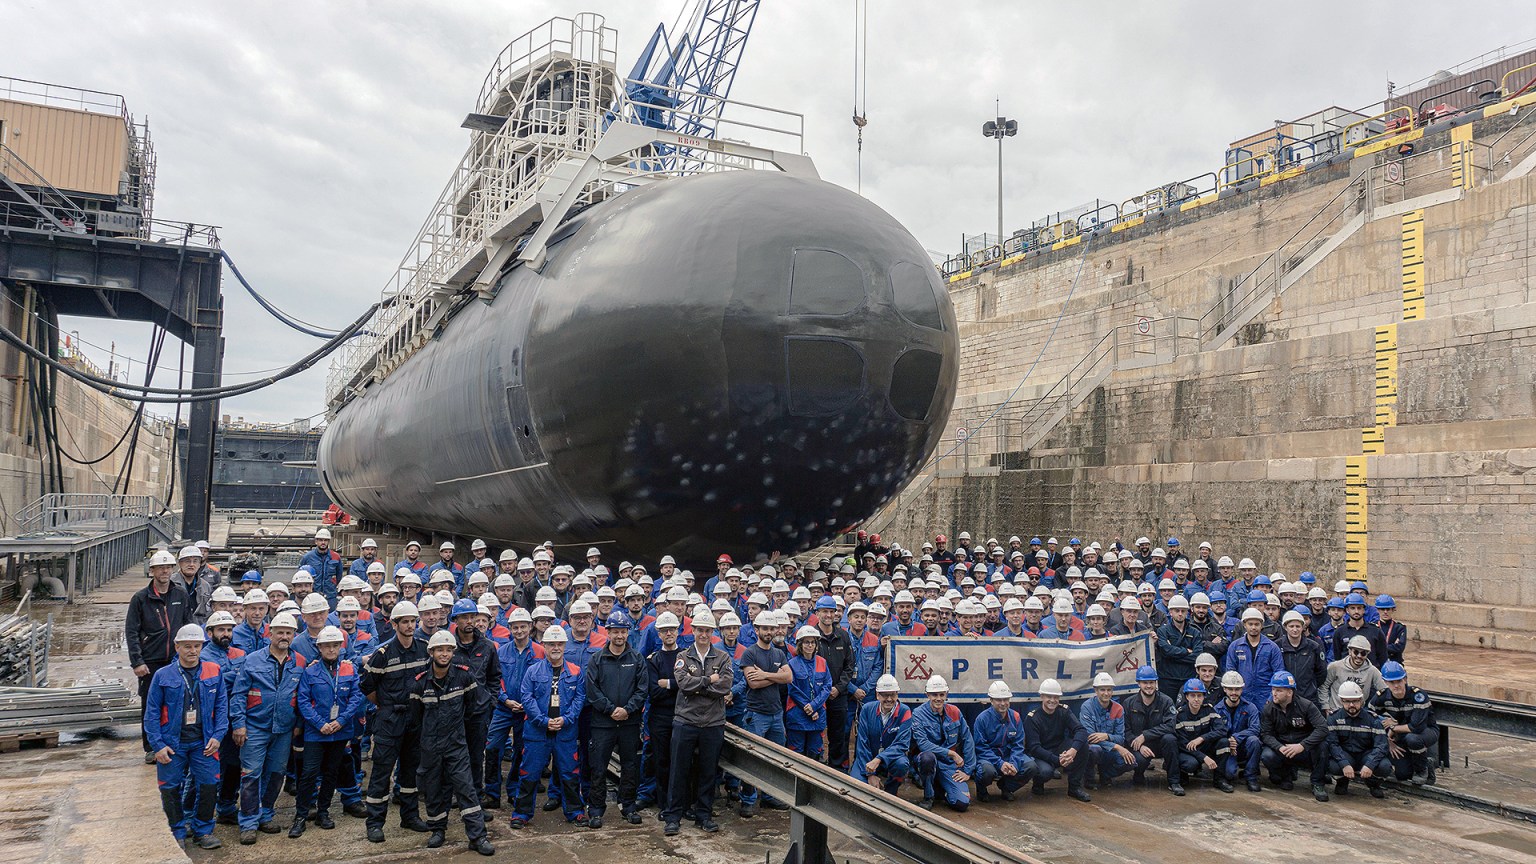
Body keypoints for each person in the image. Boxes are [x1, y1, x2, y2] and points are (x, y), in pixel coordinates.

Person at [411, 630, 495, 854]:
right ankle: (438, 830)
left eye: (448, 650)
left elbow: (472, 708)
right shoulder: (419, 683)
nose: (444, 654)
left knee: (467, 790)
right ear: (431, 652)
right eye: (440, 650)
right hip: (430, 746)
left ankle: (477, 837)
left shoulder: (464, 677)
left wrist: (458, 734)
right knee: (434, 790)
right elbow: (416, 717)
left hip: (456, 746)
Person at [145, 623, 227, 850]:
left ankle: (203, 830)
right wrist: (157, 745)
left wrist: (218, 736)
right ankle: (178, 831)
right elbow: (151, 713)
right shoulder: (163, 675)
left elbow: (222, 708)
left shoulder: (214, 670)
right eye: (187, 646)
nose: (192, 651)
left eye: (197, 646)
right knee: (170, 788)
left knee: (209, 785)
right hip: (172, 744)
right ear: (177, 647)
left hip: (204, 741)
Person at [229, 611, 305, 844]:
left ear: (294, 635)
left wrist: (298, 726)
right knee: (251, 775)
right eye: (279, 632)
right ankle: (249, 822)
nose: (284, 636)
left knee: (276, 774)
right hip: (255, 728)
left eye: (288, 633)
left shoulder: (299, 662)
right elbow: (239, 694)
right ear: (270, 633)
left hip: (283, 729)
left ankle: (266, 815)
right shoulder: (252, 660)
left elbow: (303, 697)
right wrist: (239, 724)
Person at [360, 601, 433, 842]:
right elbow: (367, 687)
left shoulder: (424, 649)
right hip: (389, 720)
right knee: (381, 772)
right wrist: (384, 705)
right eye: (405, 622)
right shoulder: (383, 654)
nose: (411, 626)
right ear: (394, 624)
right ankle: (375, 822)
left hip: (415, 719)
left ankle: (410, 817)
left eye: (413, 621)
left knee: (411, 772)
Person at [291, 626, 366, 836]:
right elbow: (303, 701)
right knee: (309, 773)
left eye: (335, 645)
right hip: (317, 732)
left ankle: (323, 812)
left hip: (340, 731)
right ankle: (301, 815)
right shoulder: (310, 671)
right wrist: (319, 723)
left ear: (341, 647)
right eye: (327, 646)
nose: (331, 649)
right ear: (320, 647)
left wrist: (341, 721)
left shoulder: (349, 669)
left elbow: (355, 697)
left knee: (332, 773)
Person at [664, 609, 733, 836]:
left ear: (713, 632)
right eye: (700, 630)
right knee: (678, 770)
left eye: (707, 630)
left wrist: (699, 686)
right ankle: (673, 817)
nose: (703, 634)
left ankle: (703, 816)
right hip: (686, 721)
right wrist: (708, 681)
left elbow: (724, 687)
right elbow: (683, 684)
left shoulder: (722, 657)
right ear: (692, 630)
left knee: (708, 772)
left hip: (713, 723)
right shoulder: (683, 656)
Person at [510, 625, 586, 828]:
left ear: (565, 646)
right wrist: (543, 721)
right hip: (537, 732)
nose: (555, 647)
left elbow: (579, 699)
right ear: (544, 645)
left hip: (565, 732)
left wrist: (566, 719)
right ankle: (521, 814)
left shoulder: (575, 672)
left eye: (559, 643)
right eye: (551, 643)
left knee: (570, 773)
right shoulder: (532, 671)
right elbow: (527, 697)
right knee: (529, 773)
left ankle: (575, 811)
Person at [128, 549, 192, 762]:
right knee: (151, 704)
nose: (165, 571)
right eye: (160, 567)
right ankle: (151, 747)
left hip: (176, 659)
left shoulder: (180, 595)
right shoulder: (140, 599)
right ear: (152, 570)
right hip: (151, 661)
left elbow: (187, 625)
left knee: (179, 701)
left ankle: (176, 743)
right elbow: (132, 632)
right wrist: (137, 661)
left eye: (168, 567)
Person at [585, 610, 647, 827]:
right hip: (603, 723)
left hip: (629, 722)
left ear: (628, 633)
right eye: (615, 632)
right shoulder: (597, 659)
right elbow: (592, 690)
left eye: (623, 631)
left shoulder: (637, 659)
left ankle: (628, 806)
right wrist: (611, 710)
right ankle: (596, 809)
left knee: (630, 766)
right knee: (599, 767)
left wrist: (627, 710)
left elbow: (642, 689)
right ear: (608, 632)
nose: (619, 636)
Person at [484, 608, 538, 809]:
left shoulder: (539, 651)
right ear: (510, 629)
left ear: (530, 627)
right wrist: (505, 700)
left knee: (521, 751)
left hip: (527, 712)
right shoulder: (501, 651)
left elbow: (540, 682)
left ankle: (514, 791)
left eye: (523, 626)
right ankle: (491, 793)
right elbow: (495, 679)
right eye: (515, 627)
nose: (519, 630)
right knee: (492, 747)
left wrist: (528, 703)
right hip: (503, 708)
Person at [738, 610, 792, 811]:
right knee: (752, 758)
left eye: (772, 628)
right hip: (756, 714)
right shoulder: (750, 653)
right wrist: (775, 675)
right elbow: (753, 684)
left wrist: (765, 675)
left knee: (775, 758)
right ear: (756, 629)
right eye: (765, 628)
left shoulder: (779, 653)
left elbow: (789, 678)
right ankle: (748, 800)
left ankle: (770, 796)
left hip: (776, 713)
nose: (769, 632)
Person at [448, 599, 501, 802]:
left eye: (473, 617)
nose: (470, 621)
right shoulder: (448, 646)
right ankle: (456, 795)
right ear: (456, 620)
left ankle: (476, 798)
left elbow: (494, 677)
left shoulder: (487, 647)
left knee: (476, 757)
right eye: (464, 617)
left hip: (479, 712)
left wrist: (490, 702)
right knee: (454, 756)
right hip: (453, 712)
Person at [1259, 670, 1331, 802]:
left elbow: (1322, 729)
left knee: (1323, 746)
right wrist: (1279, 747)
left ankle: (1318, 783)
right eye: (1273, 689)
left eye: (1279, 690)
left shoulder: (1307, 706)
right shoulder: (1269, 709)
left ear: (1290, 692)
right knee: (1267, 755)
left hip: (1304, 748)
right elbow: (1265, 734)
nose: (1274, 693)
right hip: (1283, 748)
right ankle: (1285, 776)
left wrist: (1302, 746)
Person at [911, 675, 975, 811]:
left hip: (948, 766)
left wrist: (968, 770)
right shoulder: (918, 714)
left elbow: (967, 739)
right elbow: (923, 744)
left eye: (941, 694)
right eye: (934, 695)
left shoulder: (955, 712)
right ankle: (928, 796)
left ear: (947, 694)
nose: (938, 698)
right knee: (927, 758)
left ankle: (939, 789)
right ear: (927, 695)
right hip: (928, 761)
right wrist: (951, 753)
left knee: (962, 803)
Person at [1370, 661, 1437, 785]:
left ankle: (1422, 770)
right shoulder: (1382, 697)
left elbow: (1416, 727)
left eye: (1399, 681)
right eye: (1392, 682)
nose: (1396, 686)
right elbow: (1368, 717)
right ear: (1385, 682)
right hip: (1401, 733)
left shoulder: (1418, 696)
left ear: (1405, 679)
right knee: (1402, 775)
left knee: (1413, 739)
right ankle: (1422, 763)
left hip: (1425, 732)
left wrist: (1393, 727)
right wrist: (1386, 739)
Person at [1025, 678, 1091, 801]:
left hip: (1059, 749)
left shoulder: (1064, 711)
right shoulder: (1032, 718)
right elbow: (1034, 748)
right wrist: (1057, 760)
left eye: (1056, 697)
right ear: (1042, 697)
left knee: (1083, 745)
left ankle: (1074, 788)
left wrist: (1073, 750)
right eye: (1048, 697)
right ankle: (1038, 783)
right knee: (1045, 772)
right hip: (1041, 754)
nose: (1052, 700)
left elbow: (1081, 730)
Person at [811, 596, 856, 770]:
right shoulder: (811, 635)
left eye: (832, 611)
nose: (829, 615)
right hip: (817, 696)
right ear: (817, 613)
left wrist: (838, 688)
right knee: (816, 732)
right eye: (825, 611)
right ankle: (817, 768)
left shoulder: (843, 636)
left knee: (839, 734)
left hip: (838, 694)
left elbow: (849, 666)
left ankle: (838, 768)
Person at [1326, 680, 1389, 799]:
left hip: (1366, 755)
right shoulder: (1333, 718)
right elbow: (1332, 744)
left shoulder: (1373, 720)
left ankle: (1373, 784)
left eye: (1355, 701)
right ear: (1341, 701)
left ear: (1361, 700)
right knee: (1332, 764)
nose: (1351, 705)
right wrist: (1344, 763)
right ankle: (1342, 782)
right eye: (1347, 701)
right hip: (1346, 755)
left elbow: (1381, 745)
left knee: (1384, 766)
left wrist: (1370, 764)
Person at [972, 680, 1034, 801]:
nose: (1003, 703)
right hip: (989, 758)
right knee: (986, 771)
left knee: (1031, 767)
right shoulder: (982, 719)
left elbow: (1018, 745)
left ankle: (1006, 787)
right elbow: (980, 748)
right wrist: (999, 763)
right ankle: (981, 789)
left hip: (1008, 756)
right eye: (998, 700)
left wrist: (1014, 764)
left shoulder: (1015, 717)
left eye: (1006, 699)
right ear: (991, 700)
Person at [851, 674, 912, 793]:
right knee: (857, 789)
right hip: (868, 759)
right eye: (885, 695)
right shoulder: (867, 709)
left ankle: (890, 791)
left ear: (897, 695)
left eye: (892, 694)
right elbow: (862, 742)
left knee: (902, 764)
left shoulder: (905, 711)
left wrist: (879, 759)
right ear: (877, 695)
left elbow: (902, 744)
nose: (889, 699)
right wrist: (870, 774)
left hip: (889, 759)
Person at [1120, 665, 1177, 790]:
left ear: (1156, 683)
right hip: (1138, 745)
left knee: (1170, 739)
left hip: (1160, 743)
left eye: (1152, 682)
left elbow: (1170, 726)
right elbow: (1125, 730)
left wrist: (1145, 735)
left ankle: (1174, 782)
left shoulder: (1166, 701)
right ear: (1138, 683)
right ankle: (1138, 774)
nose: (1149, 686)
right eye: (1145, 683)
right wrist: (1139, 745)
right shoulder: (1128, 703)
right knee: (1139, 760)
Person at [1172, 679, 1233, 795]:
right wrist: (1204, 757)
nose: (1196, 699)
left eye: (1199, 695)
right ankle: (1182, 773)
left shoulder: (1209, 710)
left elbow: (1222, 730)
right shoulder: (1180, 715)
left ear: (1204, 696)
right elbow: (1183, 743)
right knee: (1191, 764)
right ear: (1186, 697)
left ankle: (1219, 779)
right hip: (1187, 751)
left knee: (1224, 742)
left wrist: (1202, 738)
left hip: (1203, 745)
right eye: (1192, 695)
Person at [784, 624, 832, 760]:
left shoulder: (822, 662)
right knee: (795, 753)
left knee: (815, 752)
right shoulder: (792, 663)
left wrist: (814, 706)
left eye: (812, 642)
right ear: (800, 644)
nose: (809, 645)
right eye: (806, 642)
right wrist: (808, 707)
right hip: (797, 714)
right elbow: (792, 689)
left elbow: (827, 686)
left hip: (818, 715)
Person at [1079, 671, 1134, 789]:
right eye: (1102, 690)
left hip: (1109, 750)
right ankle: (1089, 779)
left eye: (1109, 690)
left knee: (1130, 762)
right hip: (1093, 749)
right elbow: (1090, 737)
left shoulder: (1118, 708)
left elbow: (1120, 738)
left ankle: (1105, 774)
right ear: (1095, 690)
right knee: (1094, 750)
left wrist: (1106, 736)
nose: (1106, 693)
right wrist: (1117, 747)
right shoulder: (1087, 707)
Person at [1213, 671, 1264, 792]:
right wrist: (1229, 741)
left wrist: (1236, 738)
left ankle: (1251, 777)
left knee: (1254, 741)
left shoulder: (1250, 707)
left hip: (1243, 747)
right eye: (1230, 689)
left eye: (1237, 689)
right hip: (1227, 749)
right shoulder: (1217, 710)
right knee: (1229, 774)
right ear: (1224, 689)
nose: (1234, 693)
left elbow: (1255, 728)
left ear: (1242, 689)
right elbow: (1215, 732)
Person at [1226, 608, 1284, 709]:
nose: (1253, 627)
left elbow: (1278, 674)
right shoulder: (1235, 646)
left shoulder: (1272, 647)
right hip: (1243, 696)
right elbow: (1230, 673)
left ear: (1262, 625)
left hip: (1266, 697)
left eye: (1257, 624)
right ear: (1244, 625)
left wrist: (1271, 698)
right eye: (1250, 624)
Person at [1277, 610, 1327, 706]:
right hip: (1284, 698)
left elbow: (1321, 672)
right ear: (1285, 627)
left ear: (1303, 627)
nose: (1295, 629)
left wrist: (1311, 686)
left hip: (1309, 697)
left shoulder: (1314, 647)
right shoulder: (1277, 646)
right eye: (1291, 626)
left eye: (1298, 626)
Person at [1323, 634, 1385, 711]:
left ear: (1367, 654)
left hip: (1359, 713)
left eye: (1363, 653)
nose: (1359, 656)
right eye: (1356, 652)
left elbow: (1384, 690)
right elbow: (1324, 686)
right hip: (1336, 711)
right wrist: (1325, 706)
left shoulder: (1372, 671)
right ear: (1349, 651)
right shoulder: (1335, 667)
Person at [300, 528, 345, 606]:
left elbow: (339, 575)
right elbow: (301, 574)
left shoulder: (335, 557)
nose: (323, 542)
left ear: (328, 542)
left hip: (330, 596)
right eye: (320, 540)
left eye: (325, 540)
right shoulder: (308, 557)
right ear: (316, 541)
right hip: (312, 595)